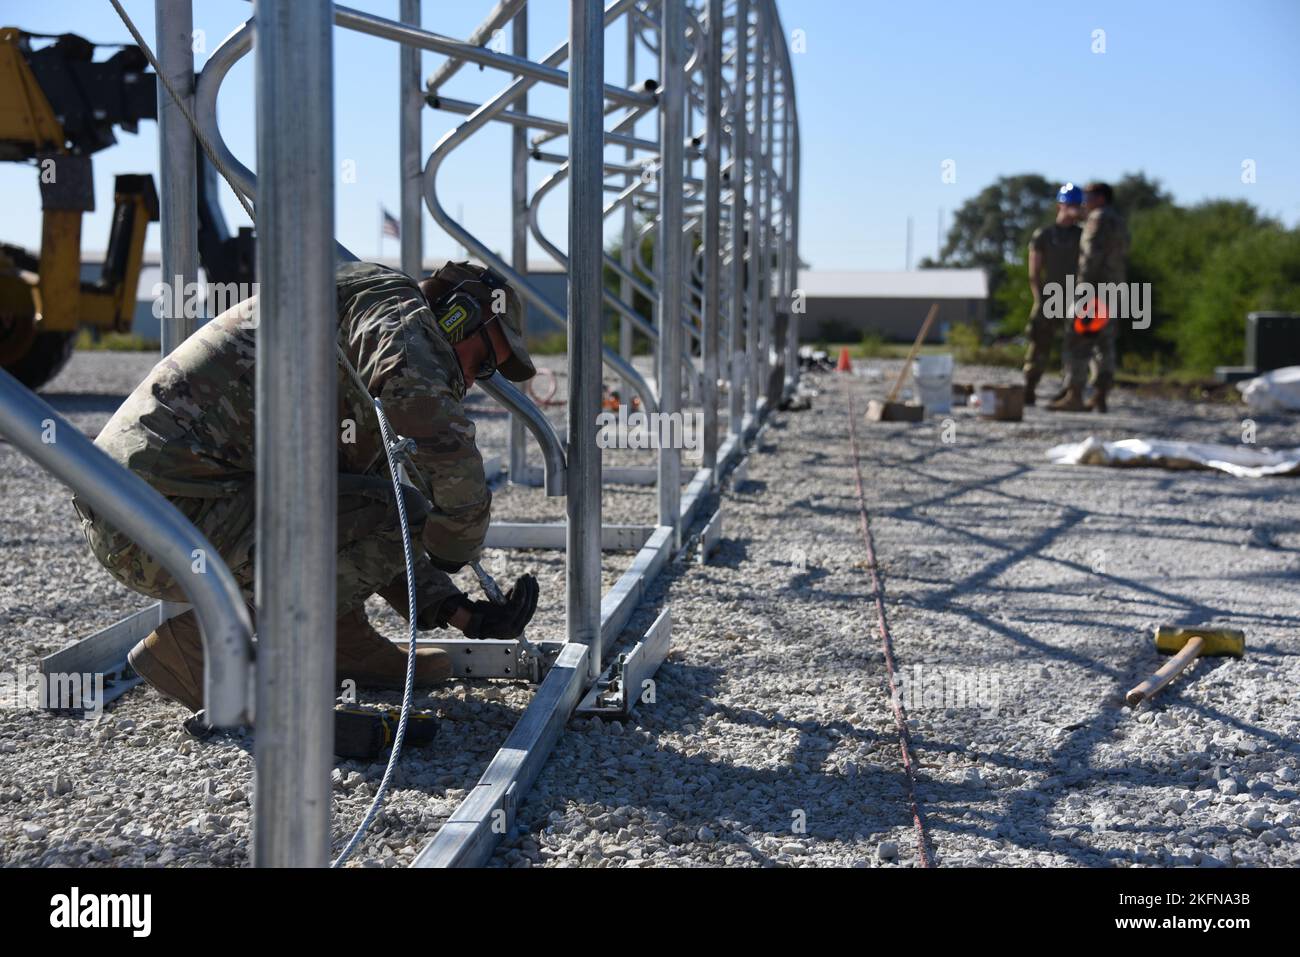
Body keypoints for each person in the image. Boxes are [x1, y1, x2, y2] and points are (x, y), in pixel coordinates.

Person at [74, 260, 540, 713]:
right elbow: (426, 417)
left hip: (156, 515)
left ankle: (340, 643)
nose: (473, 380)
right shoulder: (393, 308)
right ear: (457, 317)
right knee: (401, 509)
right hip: (159, 521)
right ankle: (198, 650)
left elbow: (373, 515)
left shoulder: (357, 337)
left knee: (377, 505)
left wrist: (460, 612)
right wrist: (460, 531)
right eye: (481, 362)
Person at [1048, 181, 1129, 413]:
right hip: (1113, 288)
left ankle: (1074, 395)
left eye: (1088, 196)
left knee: (1079, 342)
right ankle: (1100, 395)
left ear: (1101, 198)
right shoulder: (1119, 221)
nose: (1084, 200)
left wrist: (1083, 286)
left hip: (1093, 289)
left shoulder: (1097, 219)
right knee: (1105, 344)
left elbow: (1091, 255)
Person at [1023, 183, 1083, 405]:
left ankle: (1068, 391)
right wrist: (1039, 299)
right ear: (1060, 205)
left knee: (1073, 346)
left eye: (1077, 205)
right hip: (1050, 296)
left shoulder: (1083, 235)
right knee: (1039, 343)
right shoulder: (1045, 235)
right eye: (1069, 204)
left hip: (1075, 298)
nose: (1073, 209)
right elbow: (1034, 271)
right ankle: (1030, 386)